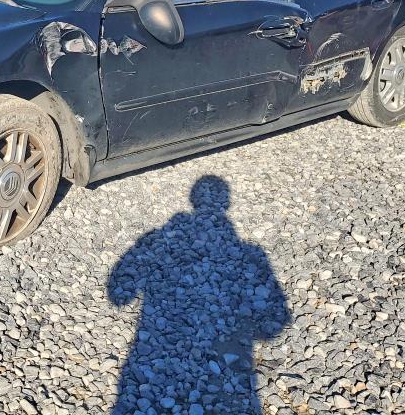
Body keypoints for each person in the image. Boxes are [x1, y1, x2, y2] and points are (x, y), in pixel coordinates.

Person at [108, 176, 289, 414]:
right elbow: (276, 324)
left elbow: (118, 295)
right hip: (228, 370)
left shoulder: (160, 235)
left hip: (148, 354)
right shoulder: (251, 251)